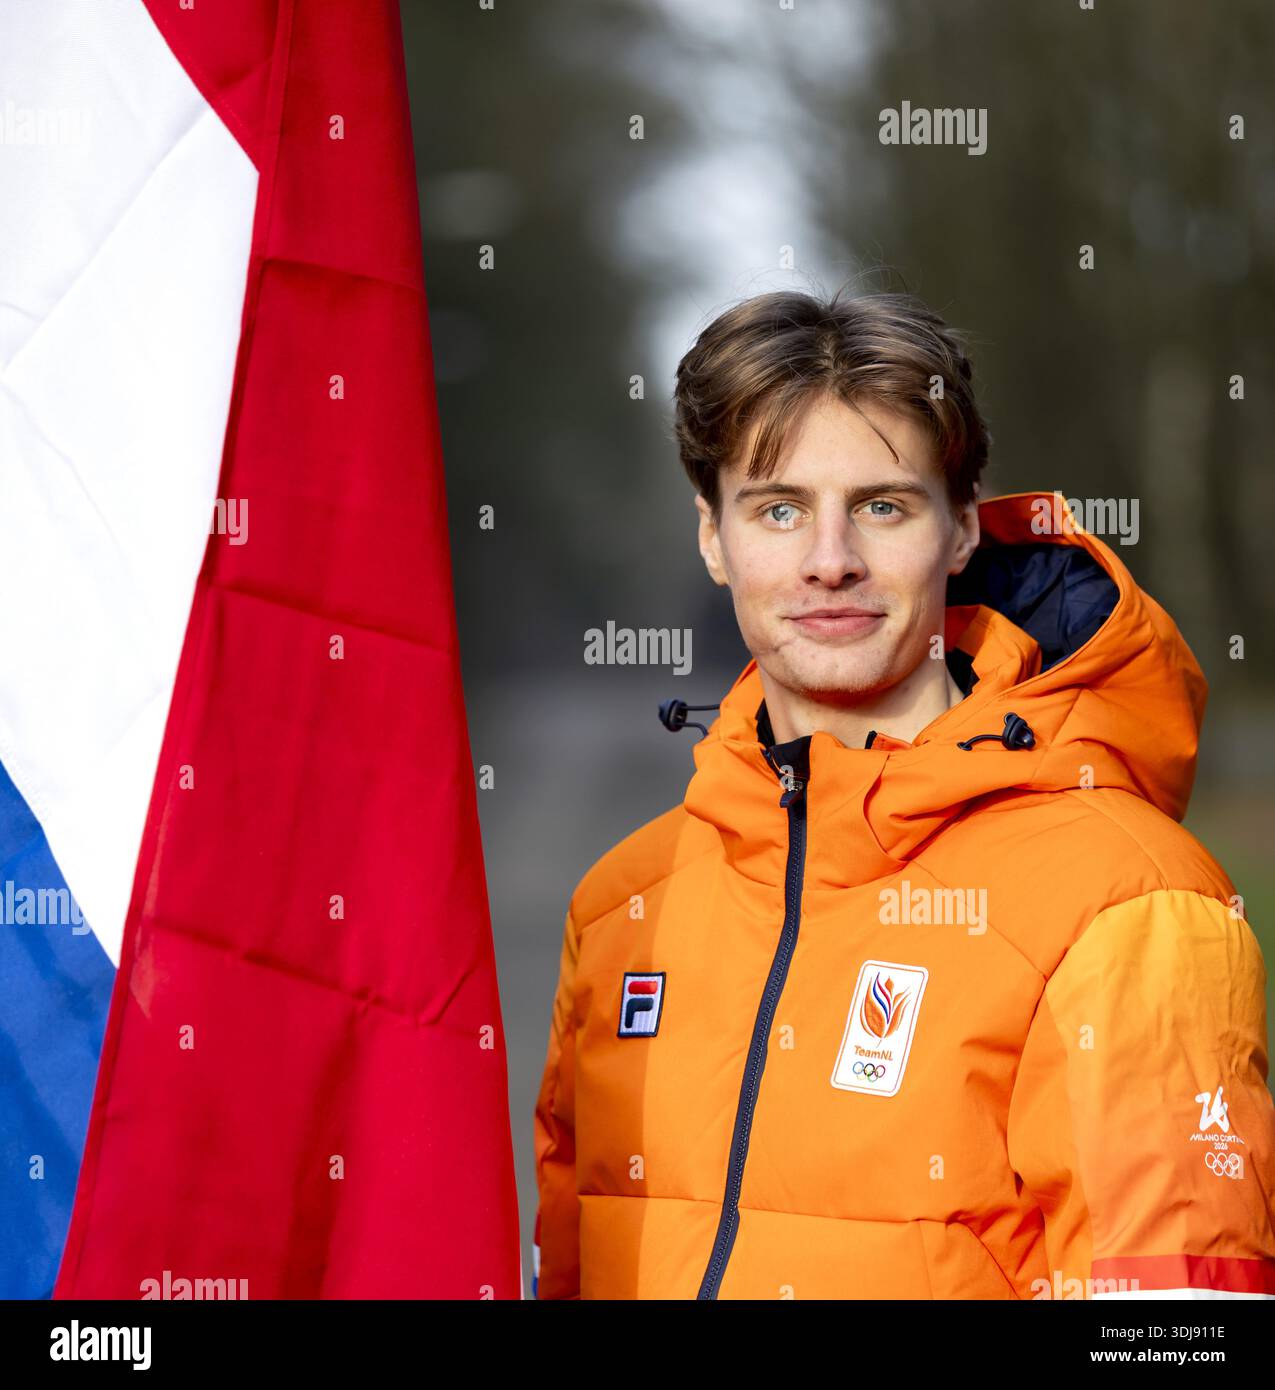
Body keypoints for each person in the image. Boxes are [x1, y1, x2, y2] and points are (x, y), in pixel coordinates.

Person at [531, 287, 1275, 1300]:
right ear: (712, 536)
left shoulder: (1128, 906)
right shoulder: (623, 907)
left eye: (882, 506)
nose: (830, 563)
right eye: (779, 509)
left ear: (961, 529)